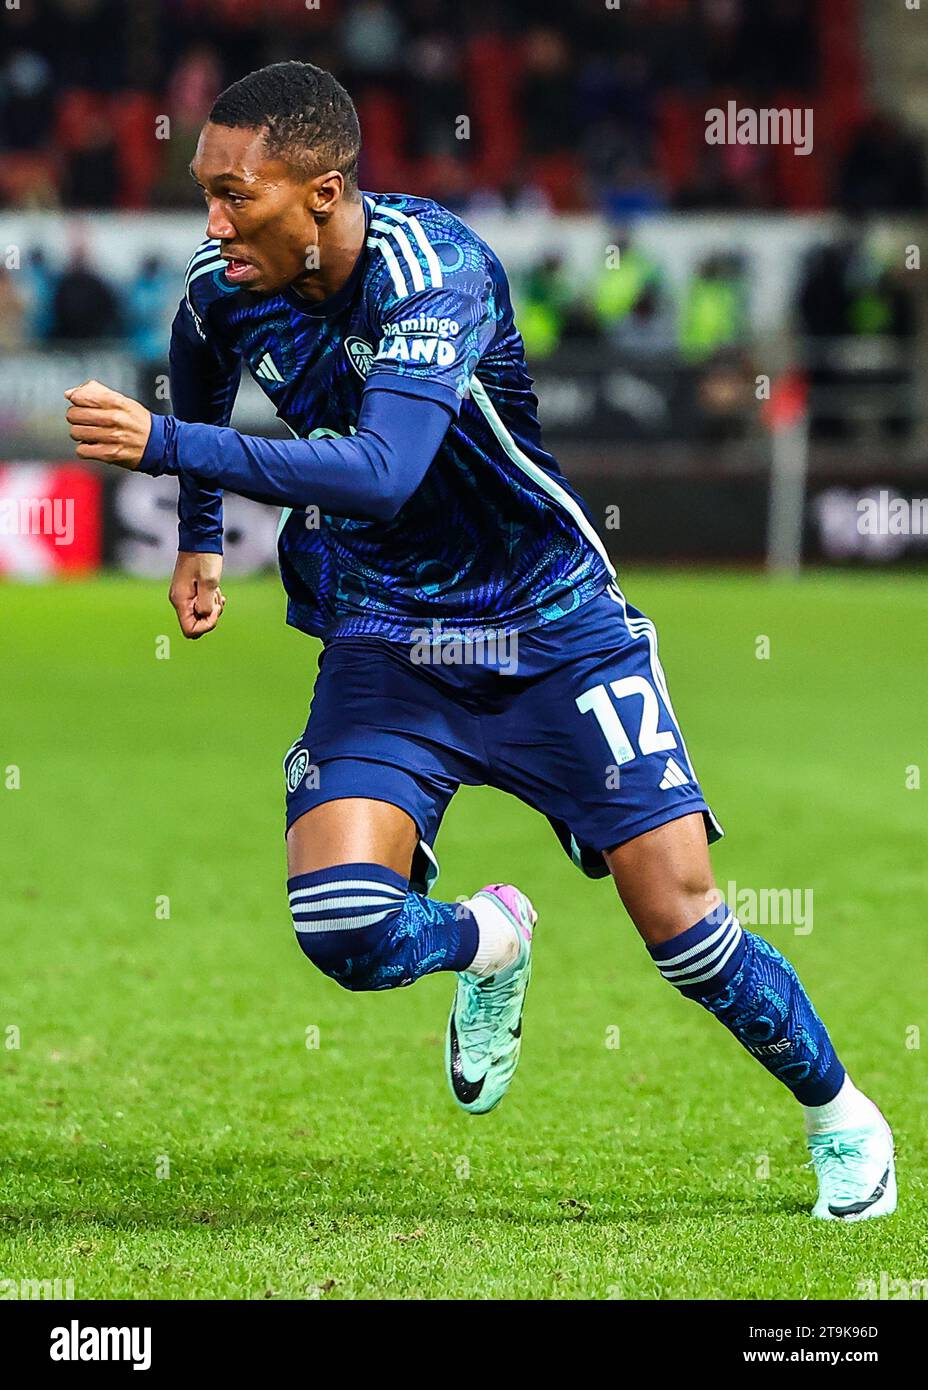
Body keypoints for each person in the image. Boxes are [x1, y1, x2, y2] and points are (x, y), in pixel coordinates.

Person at [65, 62, 895, 1222]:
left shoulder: (434, 271)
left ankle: (840, 1115)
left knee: (685, 932)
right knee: (343, 926)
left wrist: (166, 451)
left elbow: (384, 472)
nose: (209, 224)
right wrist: (200, 538)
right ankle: (491, 939)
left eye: (231, 196)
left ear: (322, 194)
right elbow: (197, 360)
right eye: (202, 192)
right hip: (387, 635)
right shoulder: (227, 284)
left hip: (553, 626)